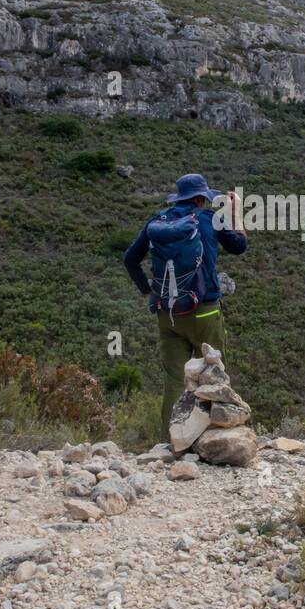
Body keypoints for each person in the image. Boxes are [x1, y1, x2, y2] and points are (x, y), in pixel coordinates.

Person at [123, 173, 247, 427]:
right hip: (204, 312)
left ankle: (170, 442)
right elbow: (239, 246)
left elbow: (130, 260)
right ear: (202, 198)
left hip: (167, 314)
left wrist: (148, 293)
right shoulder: (211, 219)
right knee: (214, 375)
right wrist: (236, 213)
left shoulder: (157, 221)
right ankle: (215, 436)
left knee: (175, 381)